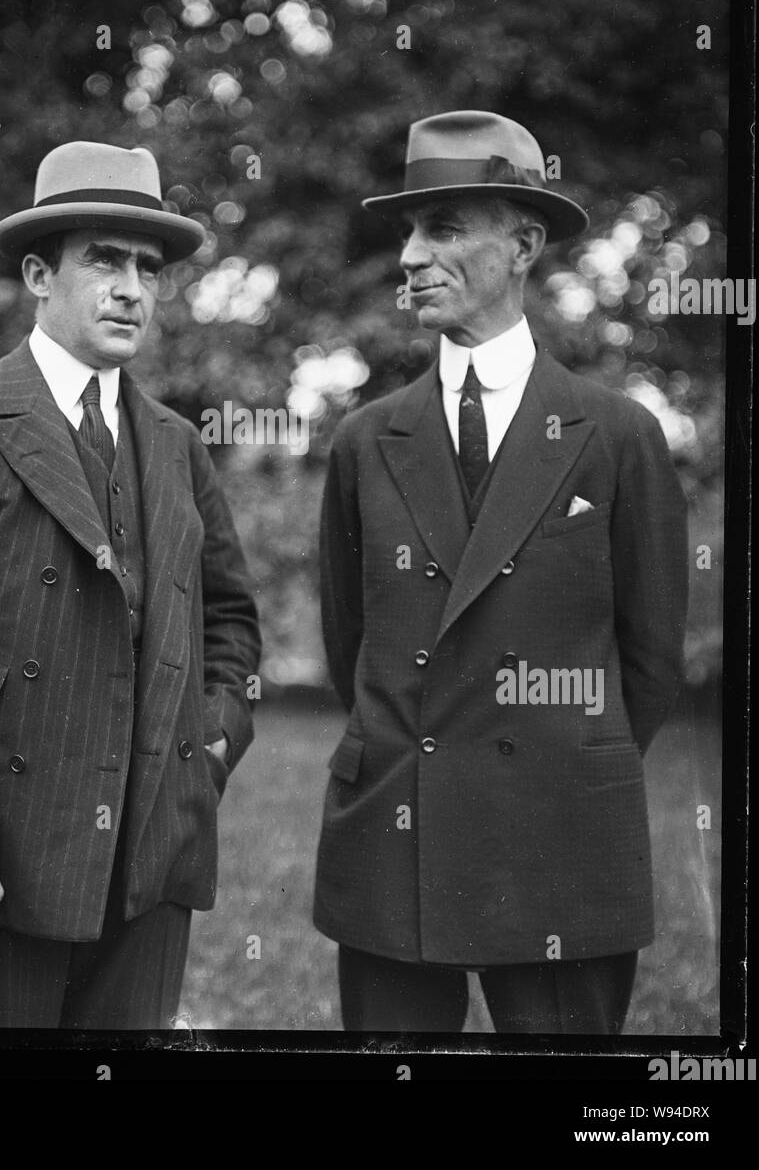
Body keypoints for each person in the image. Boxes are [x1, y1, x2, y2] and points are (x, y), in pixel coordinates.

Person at [0, 141, 260, 1028]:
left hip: (152, 860)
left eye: (149, 268)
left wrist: (209, 751)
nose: (131, 288)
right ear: (39, 273)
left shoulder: (176, 444)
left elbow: (229, 622)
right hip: (3, 863)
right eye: (104, 260)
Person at [313, 110, 688, 1035]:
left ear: (522, 245)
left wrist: (562, 761)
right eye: (406, 231)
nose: (409, 256)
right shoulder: (365, 440)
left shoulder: (618, 434)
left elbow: (649, 656)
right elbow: (348, 641)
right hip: (395, 837)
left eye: (440, 229)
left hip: (562, 838)